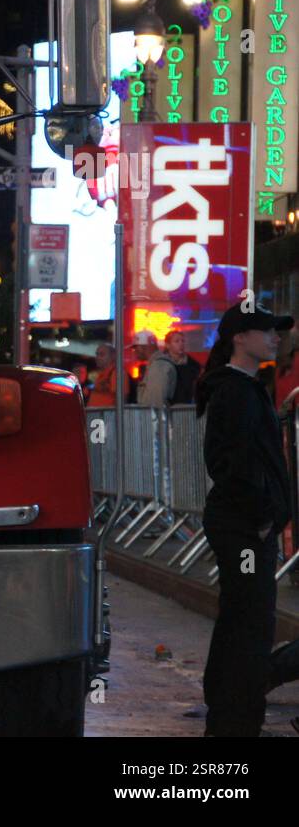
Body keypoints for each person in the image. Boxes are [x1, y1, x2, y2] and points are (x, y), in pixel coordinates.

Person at [196, 301, 295, 736]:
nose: (276, 336)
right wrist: (261, 517)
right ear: (240, 338)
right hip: (243, 528)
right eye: (266, 330)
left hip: (245, 524)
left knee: (243, 618)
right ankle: (236, 713)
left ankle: (231, 707)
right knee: (250, 623)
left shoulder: (246, 387)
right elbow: (232, 463)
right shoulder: (235, 391)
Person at [134, 331, 177, 407]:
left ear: (143, 347)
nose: (134, 351)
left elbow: (156, 401)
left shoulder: (158, 366)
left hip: (154, 417)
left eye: (135, 347)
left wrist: (150, 417)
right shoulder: (157, 364)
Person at [165, 329, 202, 405]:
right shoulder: (162, 364)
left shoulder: (193, 365)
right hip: (167, 408)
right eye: (177, 341)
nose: (181, 344)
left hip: (187, 407)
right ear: (168, 345)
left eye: (182, 341)